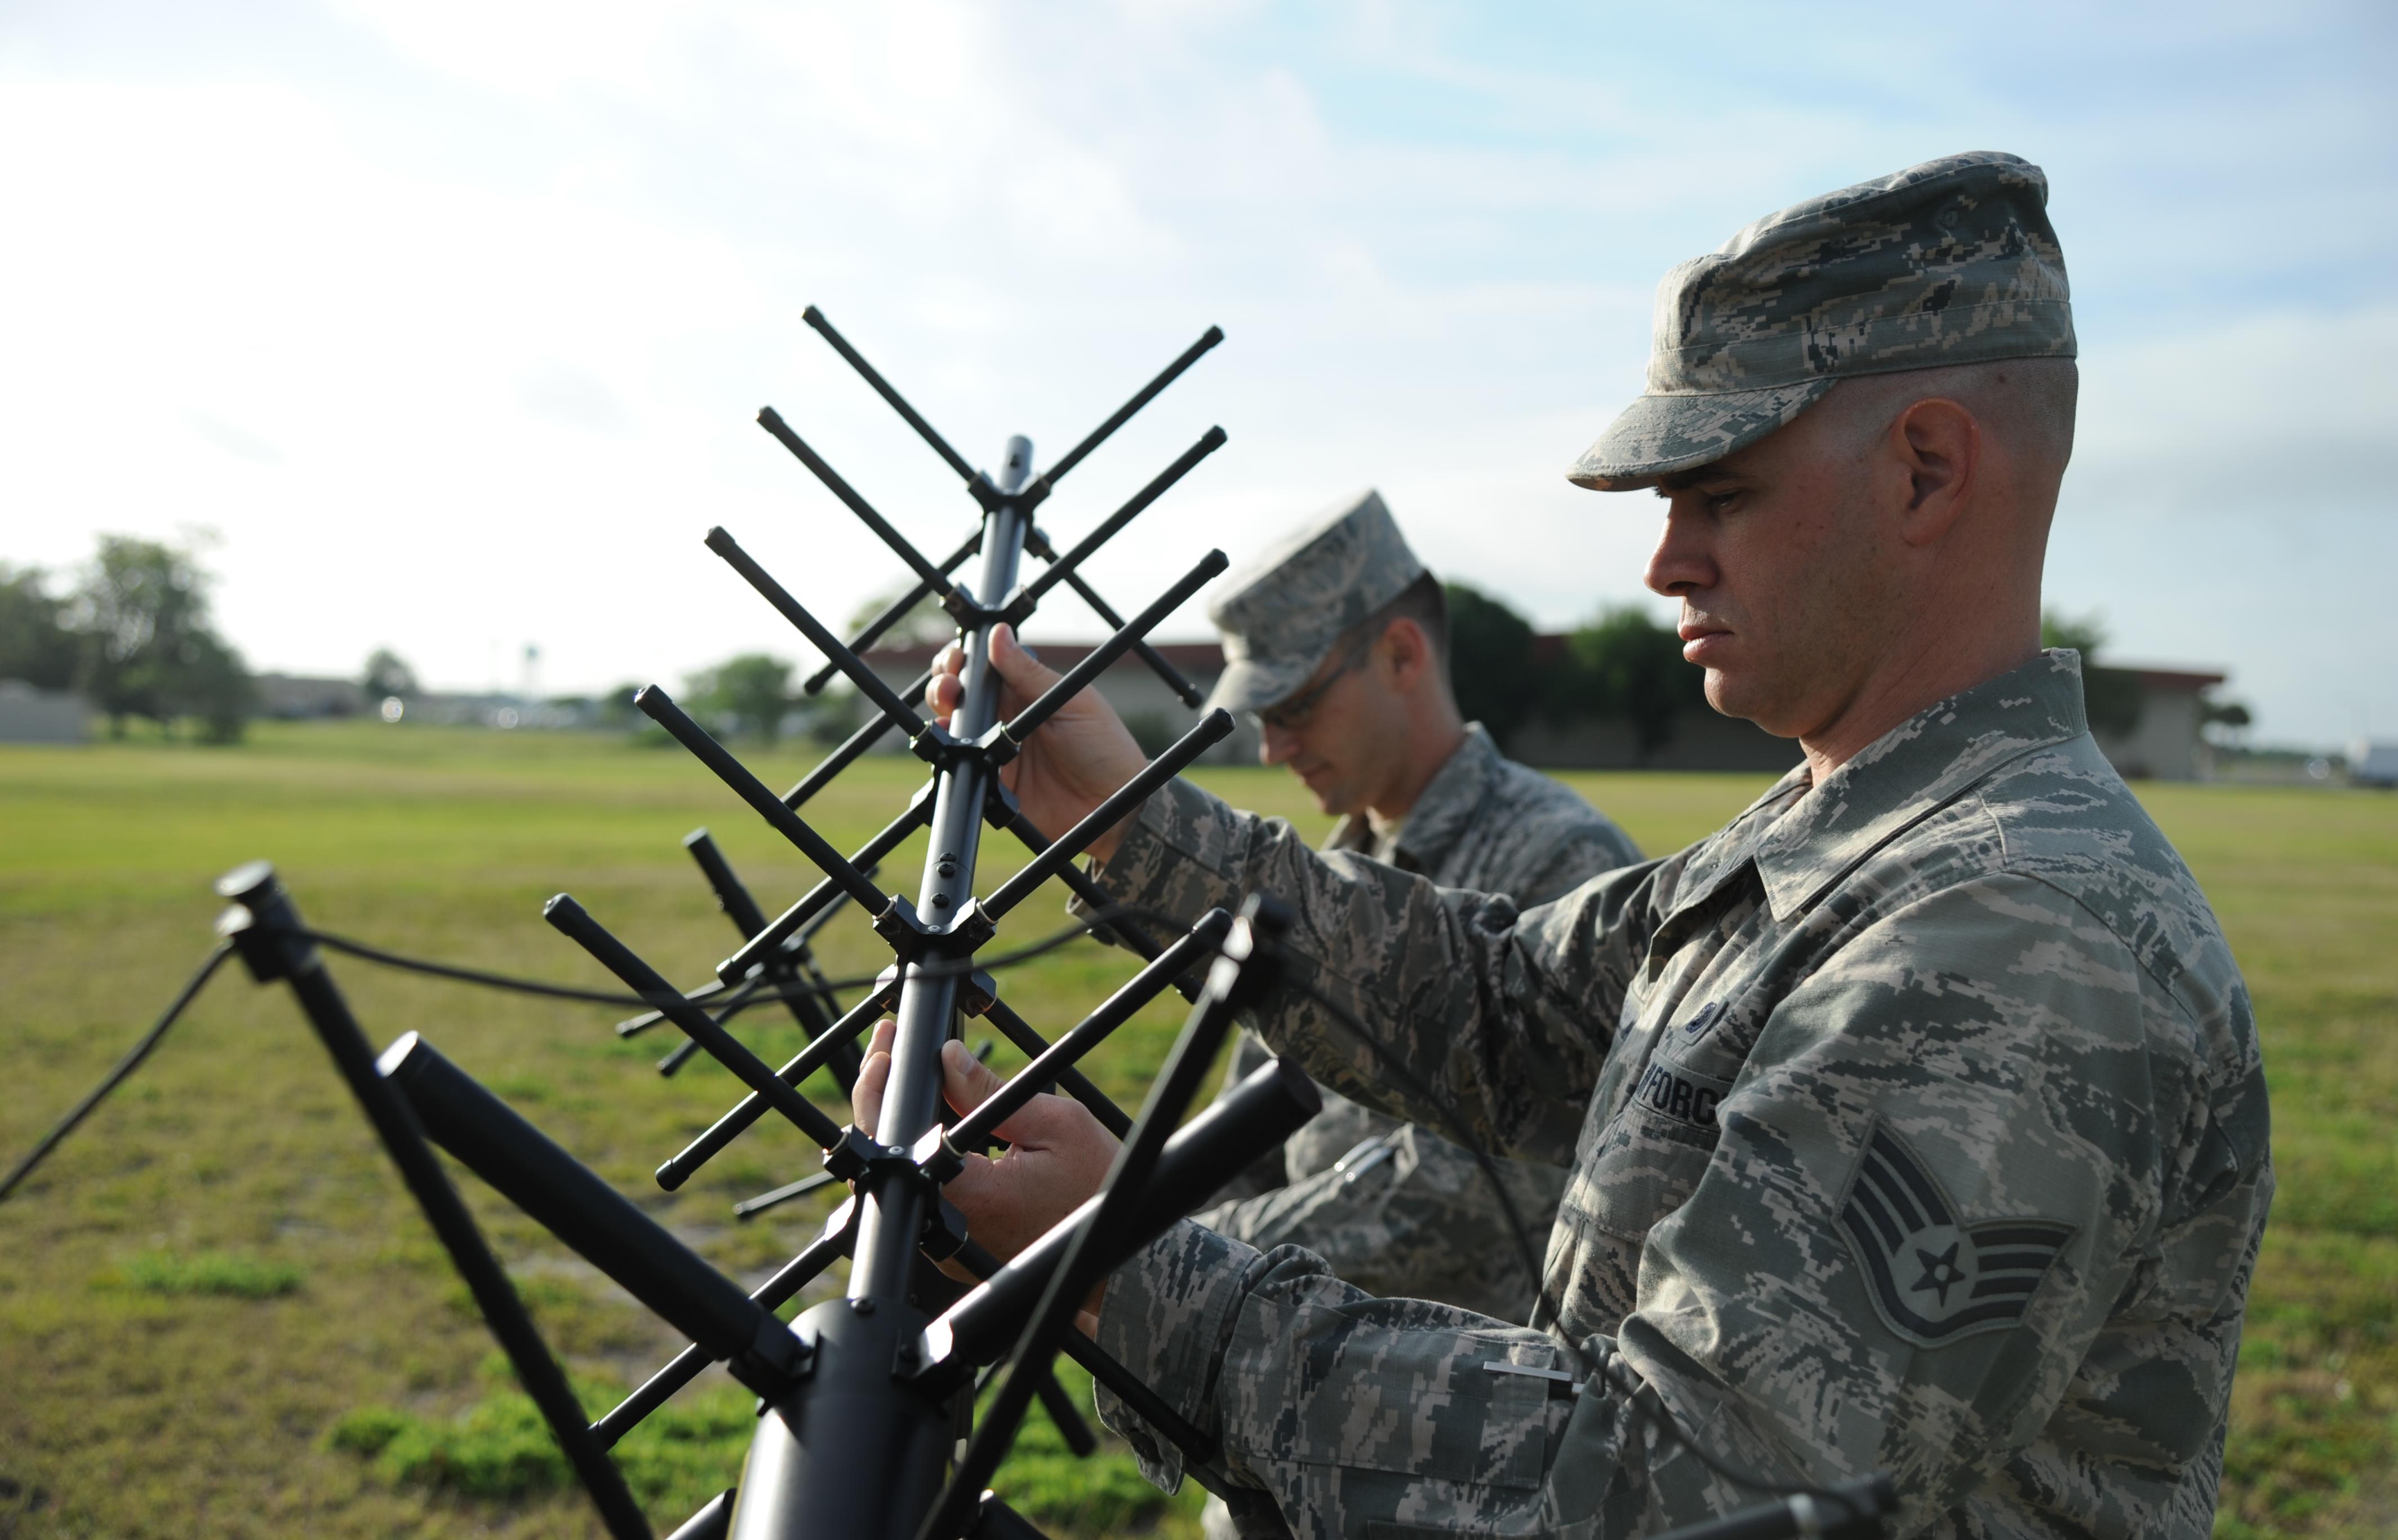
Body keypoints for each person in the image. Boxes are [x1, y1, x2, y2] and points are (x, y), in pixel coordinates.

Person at [858, 153, 2271, 1537]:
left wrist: (1137, 1271)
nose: (1664, 562)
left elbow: (1685, 1485)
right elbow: (1498, 1006)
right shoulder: (1841, 843)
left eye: (1720, 493)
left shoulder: (2014, 934)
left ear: (1923, 470)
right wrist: (1132, 827)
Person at [1196, 489, 1641, 1324]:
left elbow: (1466, 1190)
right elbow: (1248, 1114)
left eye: (1293, 707)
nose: (1272, 748)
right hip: (1300, 1356)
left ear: (1402, 656)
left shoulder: (1561, 862)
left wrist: (1202, 1255)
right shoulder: (1340, 864)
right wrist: (1168, 1233)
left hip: (1464, 1395)